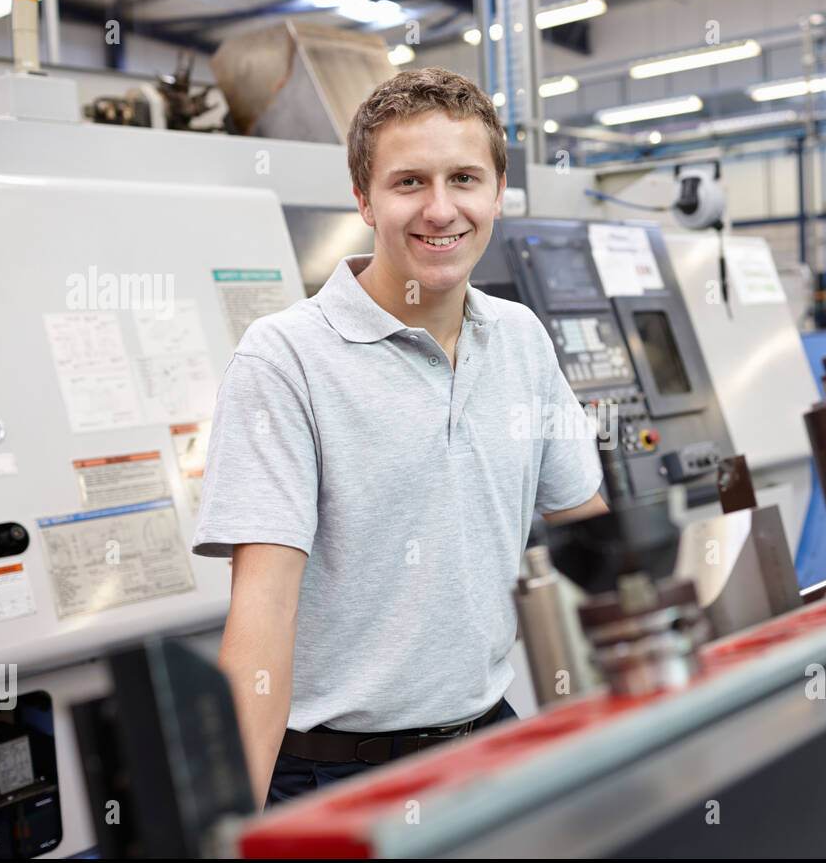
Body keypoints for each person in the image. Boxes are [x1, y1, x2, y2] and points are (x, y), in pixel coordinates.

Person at [191, 67, 606, 810]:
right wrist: (229, 834)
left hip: (492, 745)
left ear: (499, 191)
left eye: (465, 179)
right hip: (337, 776)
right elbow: (262, 619)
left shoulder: (520, 338)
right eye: (409, 182)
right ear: (364, 199)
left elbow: (588, 531)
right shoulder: (285, 358)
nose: (441, 209)